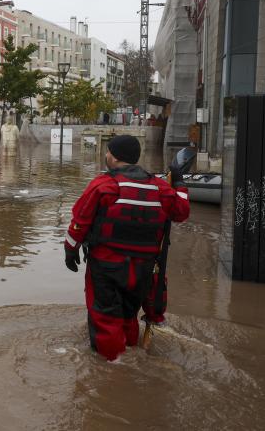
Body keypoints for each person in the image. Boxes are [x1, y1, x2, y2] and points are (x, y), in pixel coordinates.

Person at [63, 135, 189, 361]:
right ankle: (130, 352)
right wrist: (179, 184)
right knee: (129, 314)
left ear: (113, 156)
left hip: (106, 265)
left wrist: (70, 250)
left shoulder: (103, 185)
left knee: (105, 316)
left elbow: (79, 222)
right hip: (144, 268)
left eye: (108, 152)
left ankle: (112, 367)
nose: (106, 155)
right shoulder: (159, 187)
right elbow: (181, 212)